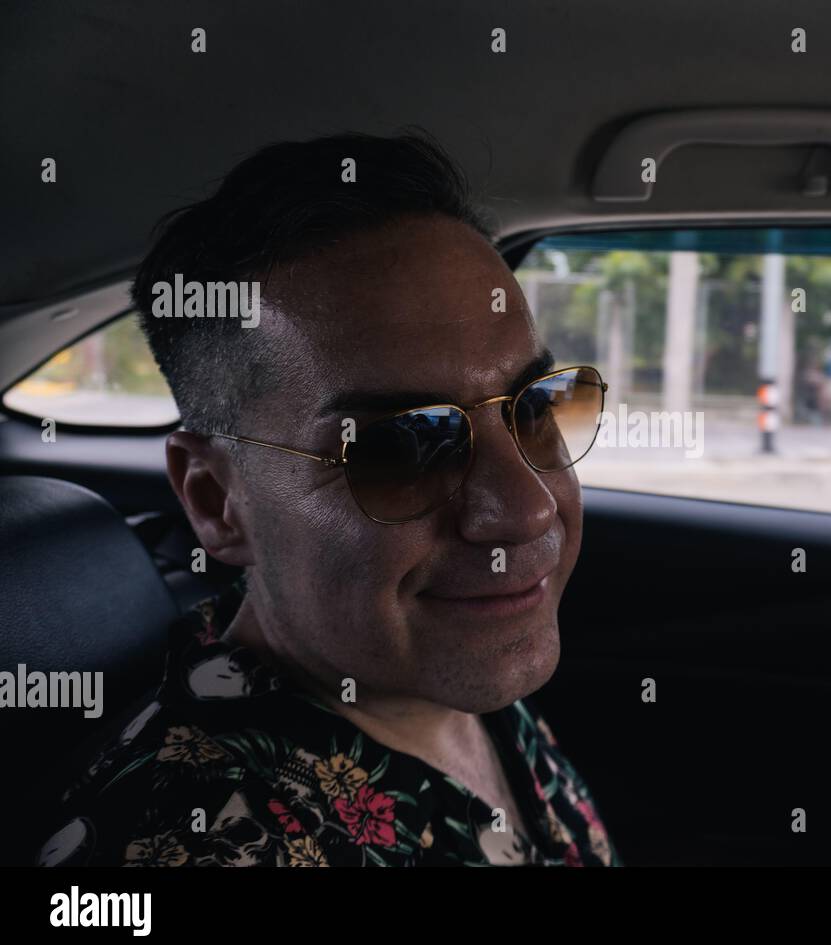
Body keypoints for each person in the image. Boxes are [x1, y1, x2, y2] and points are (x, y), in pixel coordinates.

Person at [34, 131, 620, 867]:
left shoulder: (435, 668)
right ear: (217, 500)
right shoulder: (203, 841)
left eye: (533, 409)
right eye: (404, 446)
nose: (526, 508)